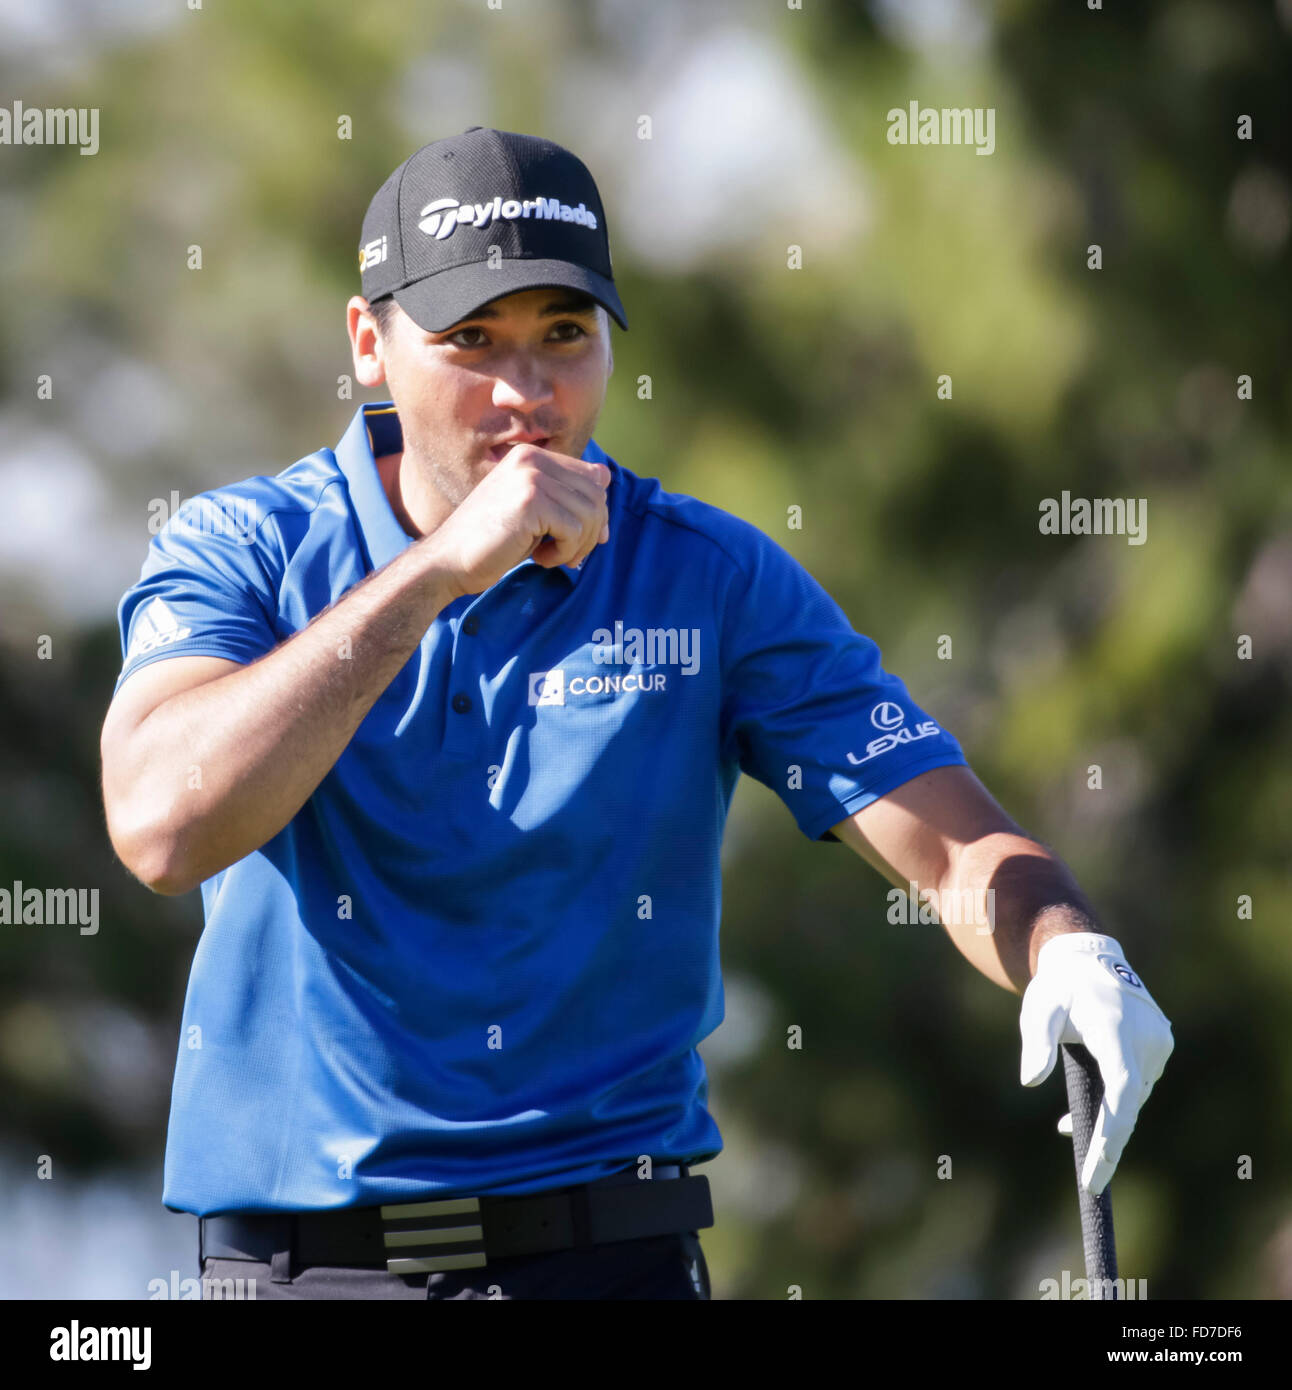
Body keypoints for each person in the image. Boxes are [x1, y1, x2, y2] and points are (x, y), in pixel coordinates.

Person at [99, 127, 1173, 1301]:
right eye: (472, 341)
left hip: (611, 1258)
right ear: (370, 344)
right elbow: (162, 825)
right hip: (307, 1272)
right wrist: (440, 572)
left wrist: (1067, 945)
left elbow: (950, 843)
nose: (527, 392)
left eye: (565, 335)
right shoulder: (239, 548)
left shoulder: (707, 575)